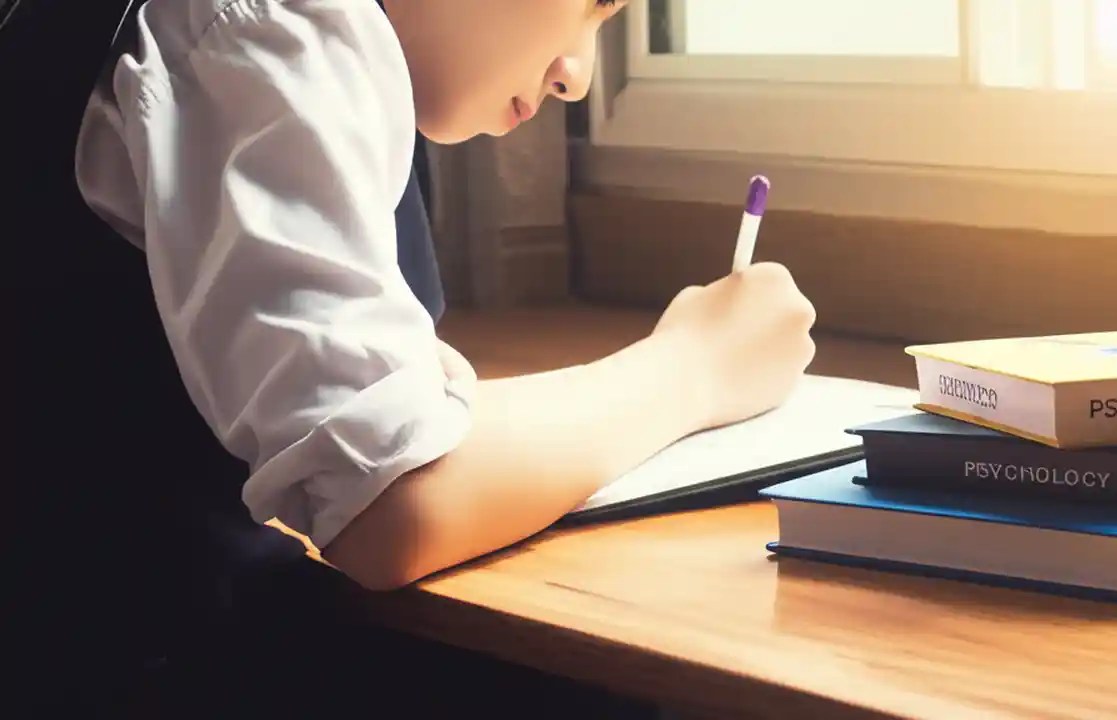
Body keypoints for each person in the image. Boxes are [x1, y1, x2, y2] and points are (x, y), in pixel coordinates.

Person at [32, 0, 817, 715]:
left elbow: (404, 425)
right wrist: (696, 366)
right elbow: (393, 510)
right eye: (591, 7)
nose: (577, 77)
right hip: (109, 660)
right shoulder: (275, 31)